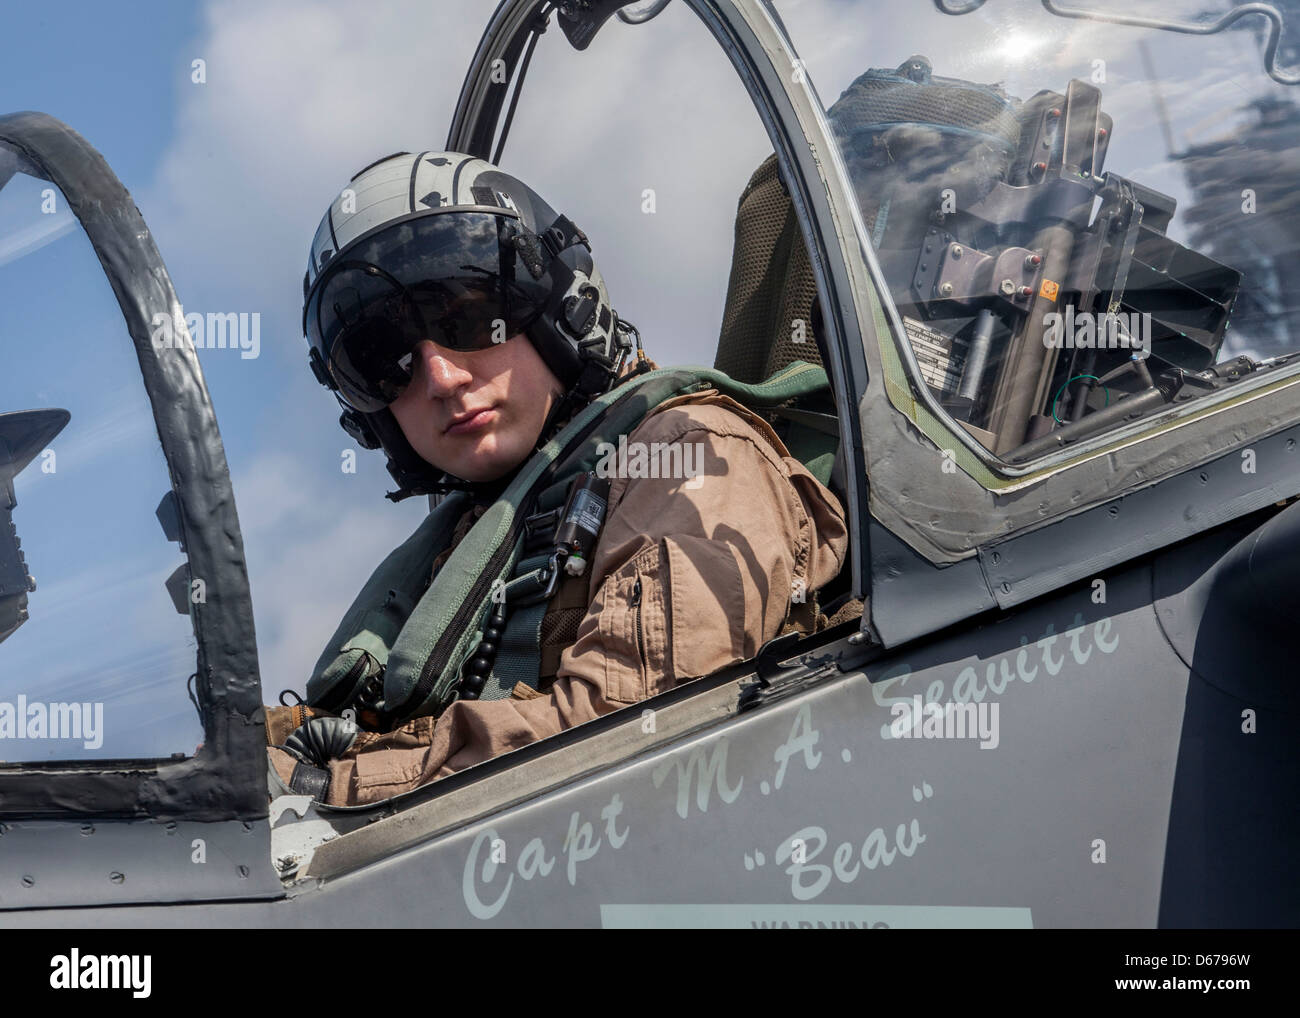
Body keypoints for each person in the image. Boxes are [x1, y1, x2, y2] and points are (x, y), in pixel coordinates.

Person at [266, 151, 849, 806]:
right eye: (385, 358)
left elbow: (630, 733)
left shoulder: (686, 457)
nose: (441, 379)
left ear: (561, 311)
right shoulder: (467, 547)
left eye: (468, 320)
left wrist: (318, 786)